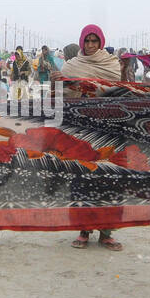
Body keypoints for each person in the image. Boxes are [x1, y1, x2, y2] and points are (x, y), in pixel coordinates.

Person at [52, 24, 124, 250]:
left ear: (100, 42)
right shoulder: (71, 66)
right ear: (82, 42)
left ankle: (106, 232)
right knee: (81, 177)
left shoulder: (111, 64)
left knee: (108, 179)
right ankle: (83, 229)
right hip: (81, 128)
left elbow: (114, 91)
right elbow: (62, 97)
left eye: (95, 41)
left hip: (107, 127)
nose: (91, 45)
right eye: (87, 41)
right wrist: (58, 81)